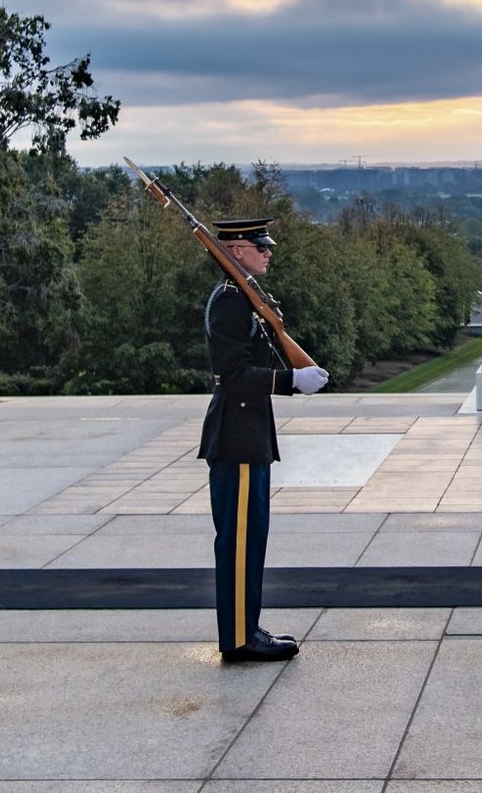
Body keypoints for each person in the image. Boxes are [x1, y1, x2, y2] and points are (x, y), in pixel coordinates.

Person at [200, 217, 329, 663]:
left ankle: (247, 627)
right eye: (260, 246)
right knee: (238, 544)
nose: (268, 252)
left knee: (251, 540)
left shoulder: (245, 298)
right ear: (236, 251)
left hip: (248, 436)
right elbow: (233, 377)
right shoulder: (230, 303)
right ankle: (239, 638)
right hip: (235, 437)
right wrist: (291, 380)